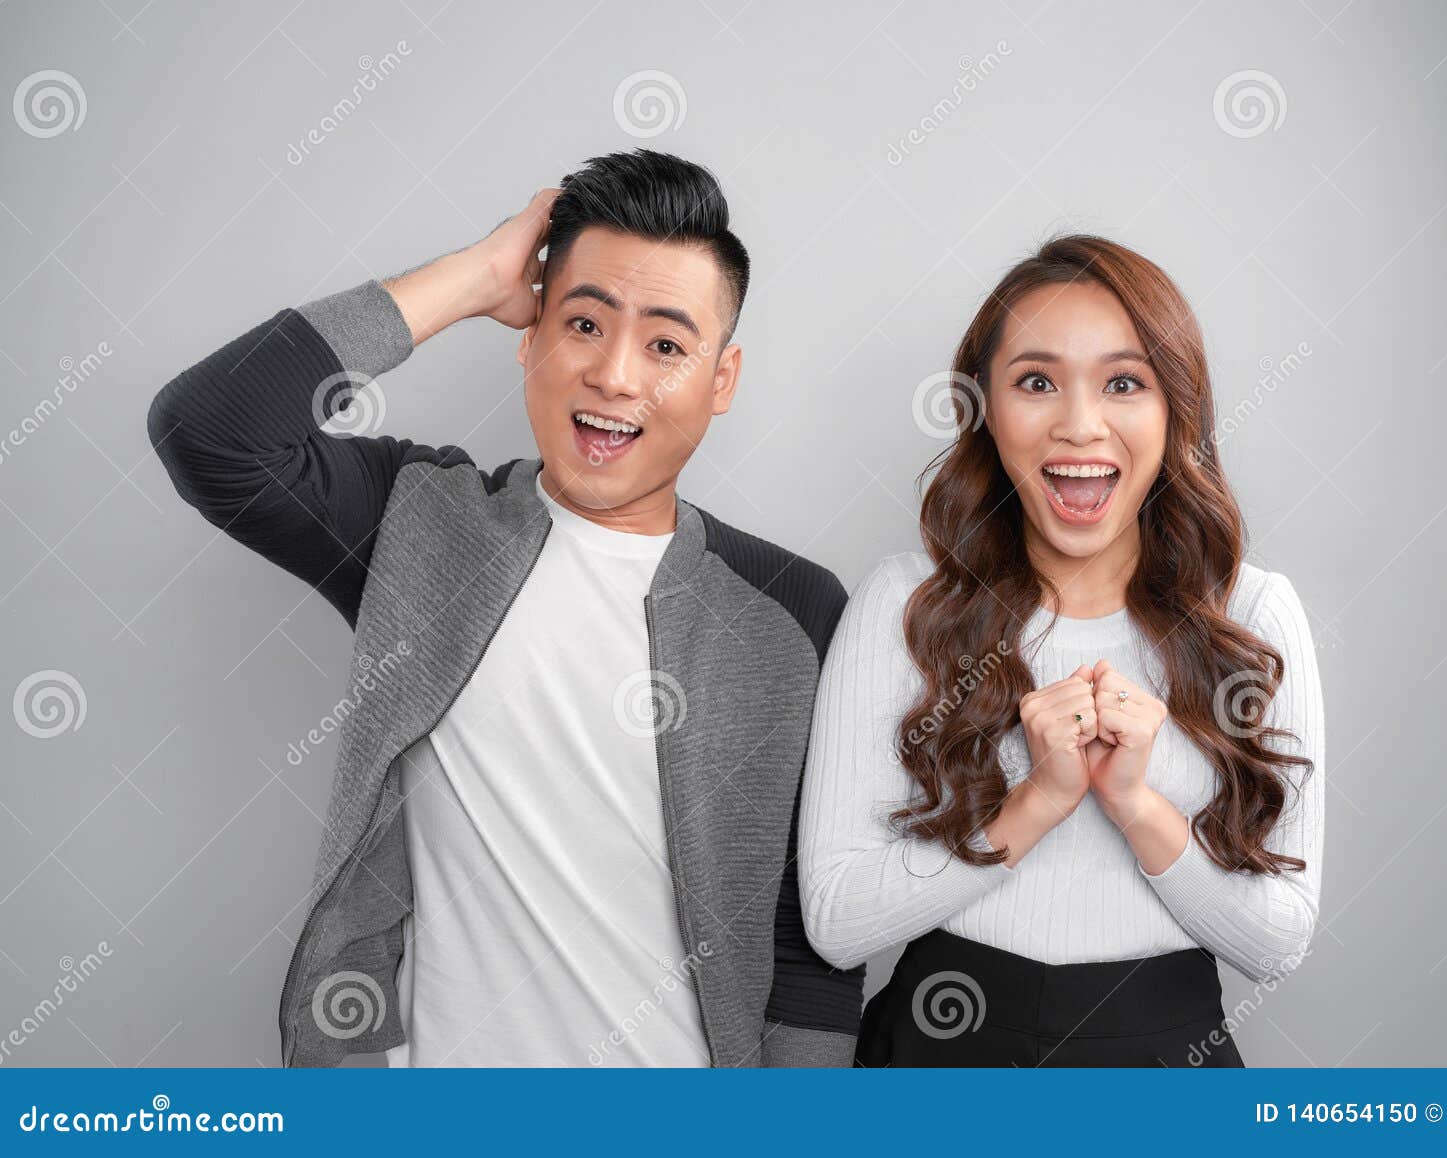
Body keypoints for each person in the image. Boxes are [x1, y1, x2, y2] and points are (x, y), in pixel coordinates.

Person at [146, 149, 863, 1067]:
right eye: (584, 322)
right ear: (528, 336)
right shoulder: (418, 525)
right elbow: (208, 430)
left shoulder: (789, 604)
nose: (614, 374)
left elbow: (804, 938)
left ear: (721, 381)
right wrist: (476, 274)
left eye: (667, 345)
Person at [798, 235, 1326, 1067]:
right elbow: (836, 922)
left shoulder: (1250, 614)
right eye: (1036, 382)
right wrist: (1036, 802)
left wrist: (1135, 805)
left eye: (1124, 382)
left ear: (1175, 409)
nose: (1080, 425)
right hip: (943, 1052)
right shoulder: (906, 603)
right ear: (985, 411)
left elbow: (1279, 940)